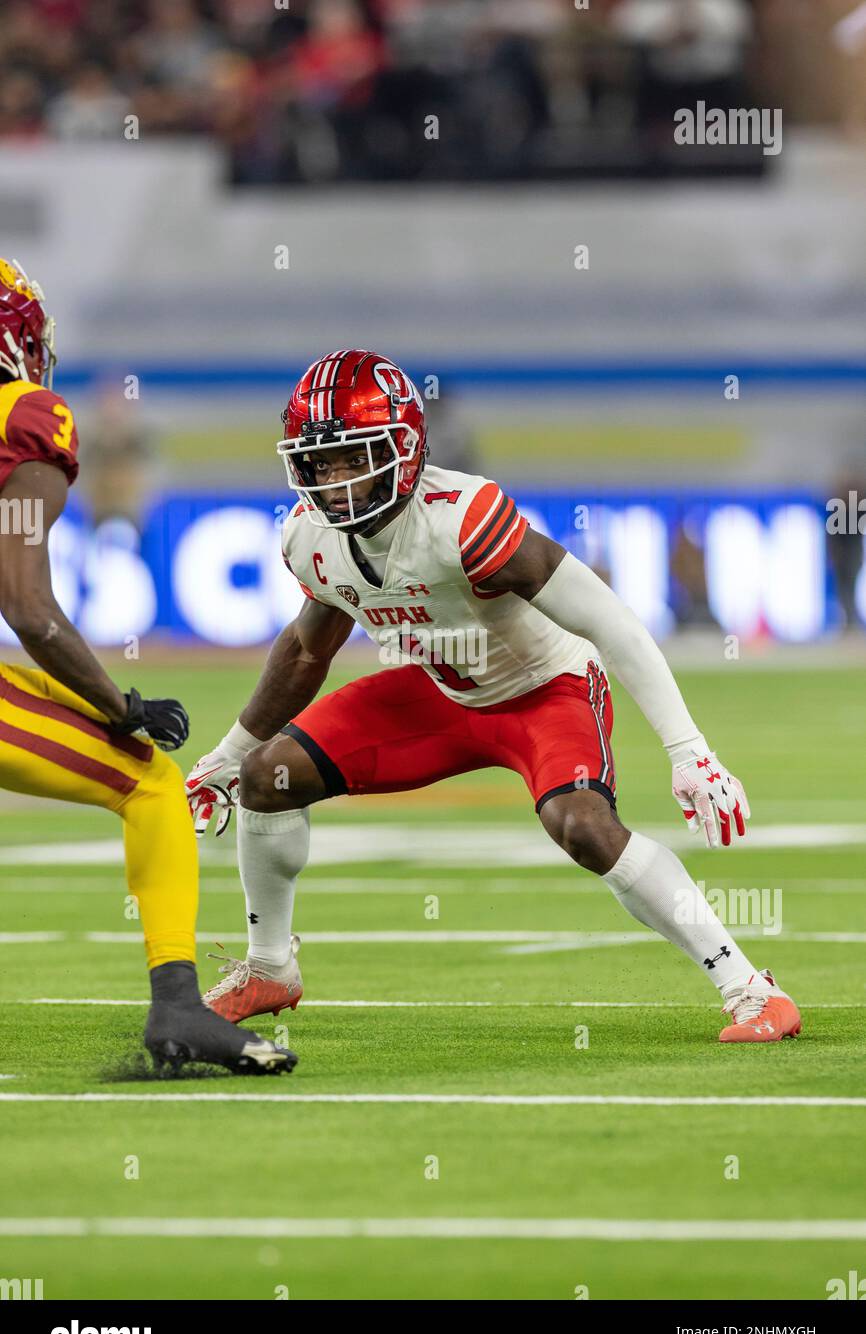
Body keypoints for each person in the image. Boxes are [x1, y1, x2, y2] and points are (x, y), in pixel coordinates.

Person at [187, 348, 801, 1045]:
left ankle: (752, 990)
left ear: (403, 448)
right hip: (443, 691)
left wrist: (690, 750)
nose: (336, 482)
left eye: (355, 458)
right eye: (321, 463)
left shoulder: (463, 518)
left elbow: (608, 618)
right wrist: (229, 753)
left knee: (583, 826)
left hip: (546, 689)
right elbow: (306, 649)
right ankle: (270, 969)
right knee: (267, 775)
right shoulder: (309, 539)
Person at [0, 257, 294, 1075]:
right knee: (151, 783)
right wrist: (120, 705)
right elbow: (27, 608)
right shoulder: (24, 414)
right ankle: (177, 1008)